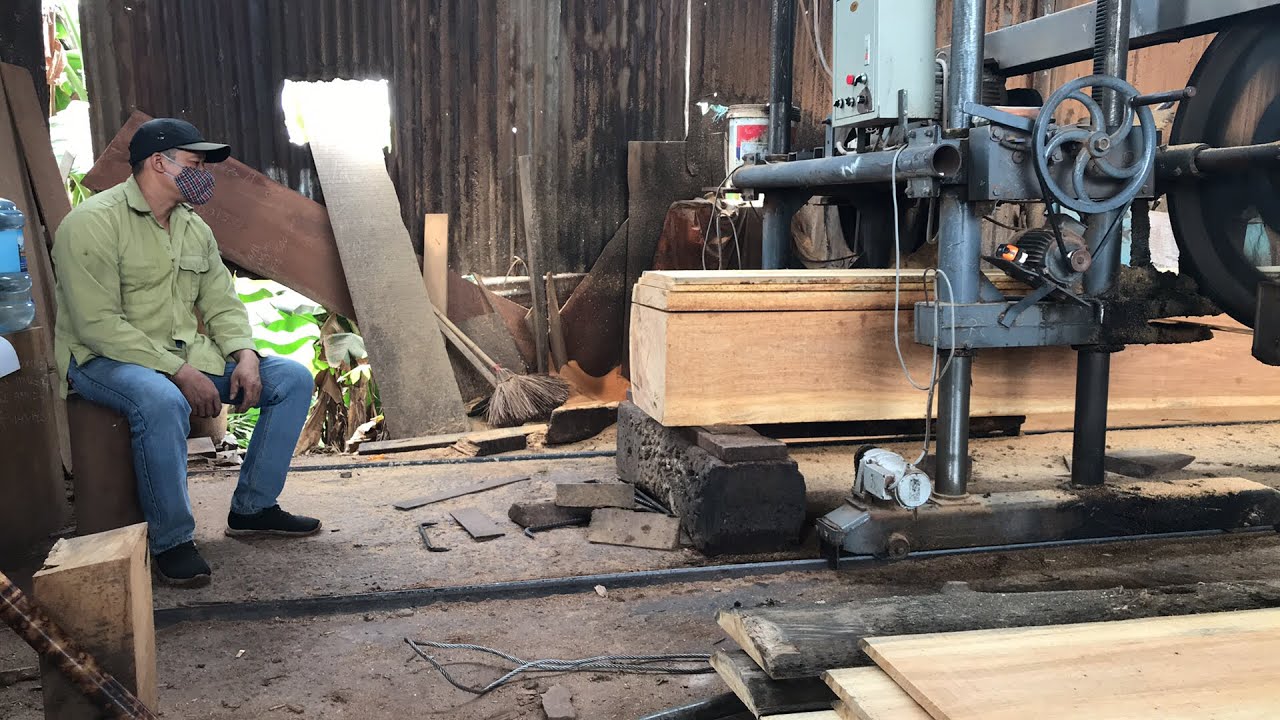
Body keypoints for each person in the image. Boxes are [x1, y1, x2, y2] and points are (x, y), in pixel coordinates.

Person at [52, 118, 320, 588]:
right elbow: (98, 325)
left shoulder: (192, 228)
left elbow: (221, 301)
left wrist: (246, 354)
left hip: (182, 354)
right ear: (159, 162)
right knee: (162, 400)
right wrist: (179, 372)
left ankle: (254, 509)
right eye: (195, 163)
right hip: (102, 360)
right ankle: (172, 541)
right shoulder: (91, 224)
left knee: (292, 380)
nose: (205, 174)